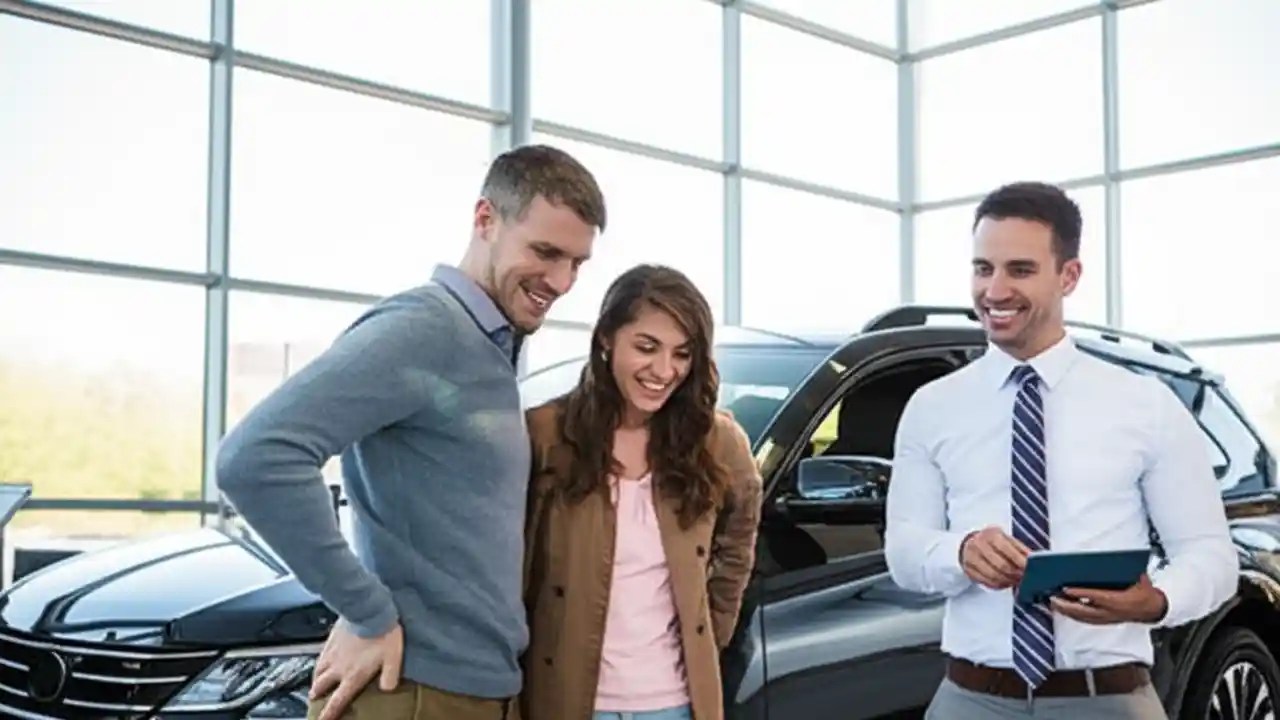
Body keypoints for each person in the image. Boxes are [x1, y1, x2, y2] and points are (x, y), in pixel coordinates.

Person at [214, 144, 606, 720]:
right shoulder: (425, 328)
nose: (561, 280)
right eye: (546, 252)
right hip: (416, 693)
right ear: (485, 220)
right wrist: (366, 611)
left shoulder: (486, 347)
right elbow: (254, 460)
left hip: (467, 690)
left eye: (577, 262)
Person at [884, 181, 1237, 719]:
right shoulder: (932, 408)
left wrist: (1157, 601)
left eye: (1019, 270)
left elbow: (1211, 555)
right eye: (983, 268)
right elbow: (904, 551)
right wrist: (958, 553)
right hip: (970, 700)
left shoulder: (1145, 405)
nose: (994, 291)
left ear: (1069, 276)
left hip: (1109, 700)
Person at [520, 264, 763, 720]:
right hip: (568, 698)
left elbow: (742, 528)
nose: (664, 371)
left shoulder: (715, 441)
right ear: (607, 339)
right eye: (647, 347)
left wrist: (712, 625)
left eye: (682, 354)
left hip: (675, 703)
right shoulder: (546, 435)